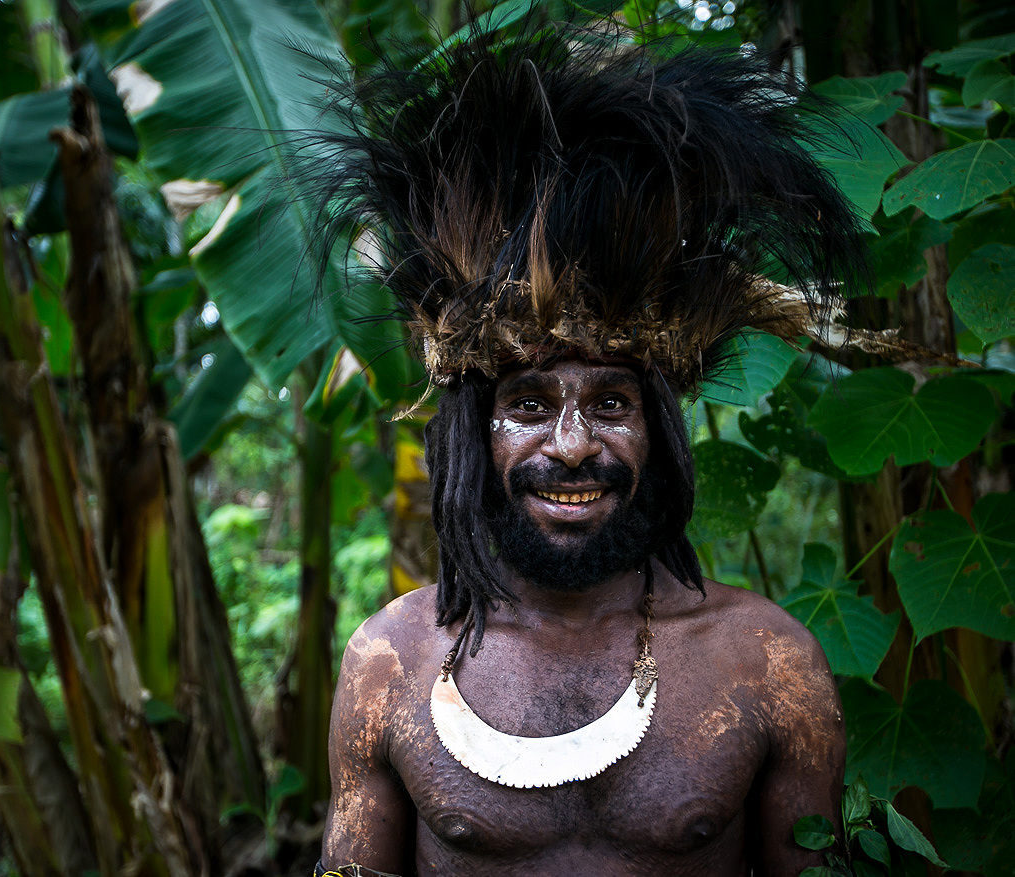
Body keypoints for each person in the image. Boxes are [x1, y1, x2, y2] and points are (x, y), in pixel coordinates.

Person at [310, 17, 869, 877]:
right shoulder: (391, 661)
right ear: (472, 433)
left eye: (611, 401)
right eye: (529, 403)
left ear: (659, 430)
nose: (572, 446)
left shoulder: (767, 662)